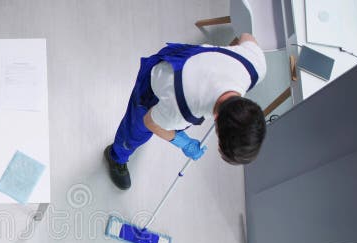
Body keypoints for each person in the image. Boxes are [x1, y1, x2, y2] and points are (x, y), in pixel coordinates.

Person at [104, 33, 268, 190]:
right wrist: (183, 142)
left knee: (161, 118)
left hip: (189, 60)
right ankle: (116, 156)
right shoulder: (180, 112)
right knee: (136, 131)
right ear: (217, 121)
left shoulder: (255, 66)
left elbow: (246, 36)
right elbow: (150, 122)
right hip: (156, 83)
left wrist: (223, 65)